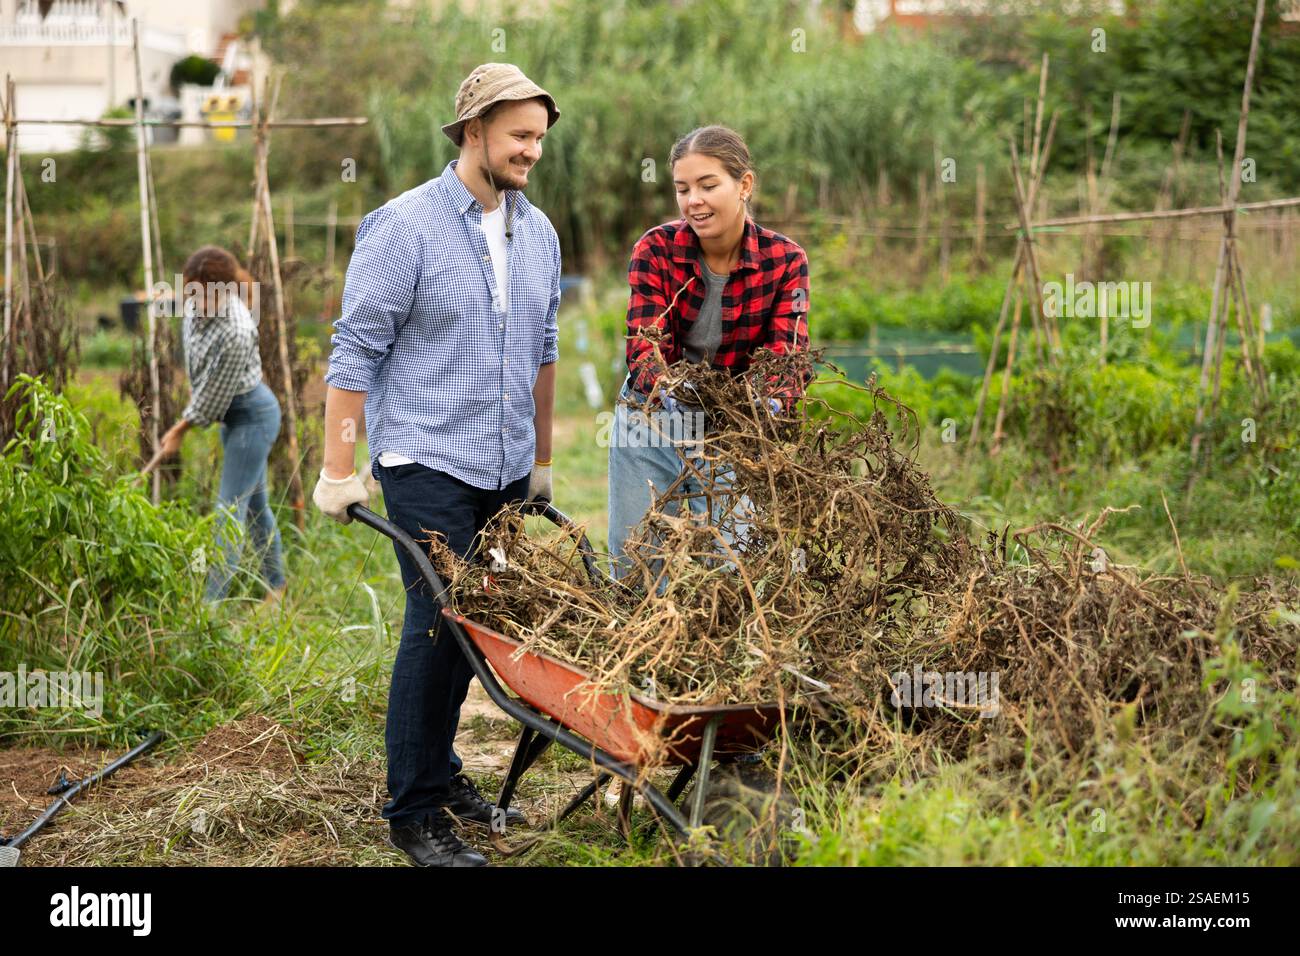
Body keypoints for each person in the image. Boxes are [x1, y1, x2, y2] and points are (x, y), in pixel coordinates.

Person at [312, 63, 561, 868]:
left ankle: (443, 773)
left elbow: (544, 354)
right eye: (519, 136)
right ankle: (413, 812)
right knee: (436, 623)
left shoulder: (542, 234)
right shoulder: (405, 226)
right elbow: (355, 350)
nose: (531, 151)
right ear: (473, 130)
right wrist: (337, 469)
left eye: (539, 138)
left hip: (502, 465)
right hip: (424, 457)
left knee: (475, 629)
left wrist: (543, 460)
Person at [607, 125, 811, 580]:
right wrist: (669, 390)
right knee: (638, 556)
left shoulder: (785, 260)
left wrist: (767, 404)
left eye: (707, 185)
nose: (693, 200)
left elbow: (788, 355)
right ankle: (638, 643)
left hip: (736, 423)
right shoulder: (656, 249)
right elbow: (645, 343)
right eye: (682, 189)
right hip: (653, 416)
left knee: (732, 564)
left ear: (744, 185)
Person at [159, 245, 286, 602]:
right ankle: (277, 589)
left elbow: (214, 397)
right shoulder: (192, 307)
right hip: (232, 417)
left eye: (210, 295)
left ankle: (210, 607)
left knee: (228, 511)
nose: (200, 301)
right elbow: (200, 372)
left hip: (252, 417)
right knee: (256, 508)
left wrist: (179, 430)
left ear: (227, 291)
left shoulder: (237, 330)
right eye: (193, 292)